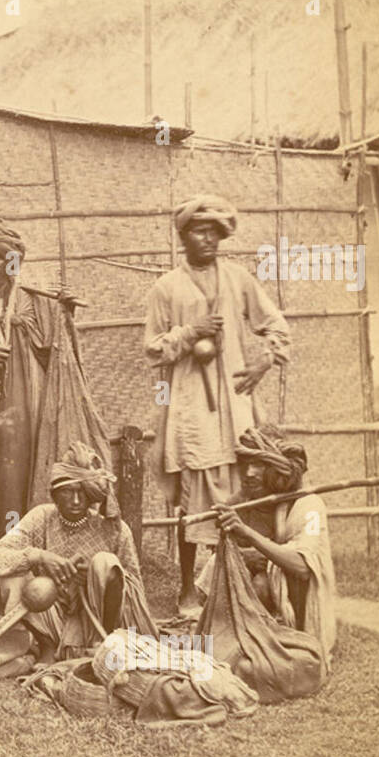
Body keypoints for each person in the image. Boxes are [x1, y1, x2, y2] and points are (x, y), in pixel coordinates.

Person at [144, 194, 291, 614]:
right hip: (189, 408)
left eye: (213, 231)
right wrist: (190, 333)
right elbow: (153, 348)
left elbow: (274, 324)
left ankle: (234, 583)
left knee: (240, 491)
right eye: (197, 230)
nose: (206, 238)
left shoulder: (238, 279)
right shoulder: (166, 288)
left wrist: (265, 359)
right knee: (192, 499)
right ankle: (187, 588)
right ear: (183, 235)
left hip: (235, 401)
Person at [0, 215, 91, 593]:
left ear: (13, 260)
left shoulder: (36, 301)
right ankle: (2, 584)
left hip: (33, 411)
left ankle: (47, 581)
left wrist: (66, 313)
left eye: (0, 257)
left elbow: (58, 350)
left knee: (35, 484)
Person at [0, 441, 157, 663]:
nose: (75, 500)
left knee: (105, 562)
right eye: (67, 492)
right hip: (50, 618)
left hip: (95, 625)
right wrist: (37, 556)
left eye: (82, 493)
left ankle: (104, 645)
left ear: (92, 495)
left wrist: (96, 577)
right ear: (54, 494)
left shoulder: (114, 530)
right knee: (14, 575)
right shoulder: (40, 518)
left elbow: (135, 589)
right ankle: (46, 645)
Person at [202, 426, 338, 661]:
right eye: (246, 465)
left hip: (298, 608)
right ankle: (240, 638)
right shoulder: (249, 499)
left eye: (259, 465)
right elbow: (229, 555)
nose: (249, 473)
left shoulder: (310, 506)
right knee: (217, 567)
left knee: (262, 585)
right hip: (265, 600)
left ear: (277, 468)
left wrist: (247, 535)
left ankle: (270, 641)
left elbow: (302, 567)